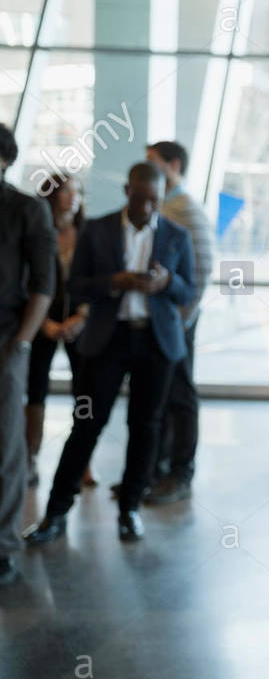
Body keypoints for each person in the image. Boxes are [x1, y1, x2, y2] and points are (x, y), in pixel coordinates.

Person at [25, 161, 194, 545]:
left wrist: (167, 282)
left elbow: (188, 290)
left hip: (156, 343)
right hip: (106, 342)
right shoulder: (97, 230)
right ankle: (55, 512)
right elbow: (78, 287)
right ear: (127, 193)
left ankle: (129, 510)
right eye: (140, 199)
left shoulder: (176, 236)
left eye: (154, 201)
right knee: (86, 425)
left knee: (146, 428)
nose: (147, 208)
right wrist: (114, 282)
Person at [142, 140, 214, 505]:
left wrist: (181, 322)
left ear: (173, 165)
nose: (148, 170)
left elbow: (202, 270)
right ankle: (153, 472)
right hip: (161, 322)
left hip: (177, 322)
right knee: (163, 397)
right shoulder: (164, 205)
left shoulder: (185, 208)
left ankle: (180, 474)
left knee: (182, 396)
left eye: (154, 163)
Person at [0, 123, 54, 585]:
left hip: (7, 338)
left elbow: (43, 285)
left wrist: (20, 343)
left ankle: (2, 547)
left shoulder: (26, 210)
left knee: (5, 445)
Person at [26, 175, 96, 491]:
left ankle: (82, 462)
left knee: (84, 391)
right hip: (42, 320)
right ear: (52, 195)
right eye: (67, 190)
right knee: (35, 389)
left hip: (79, 323)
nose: (73, 196)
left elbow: (99, 282)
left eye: (77, 190)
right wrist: (43, 323)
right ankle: (29, 458)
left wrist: (81, 318)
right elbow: (26, 280)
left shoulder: (88, 234)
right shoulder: (39, 232)